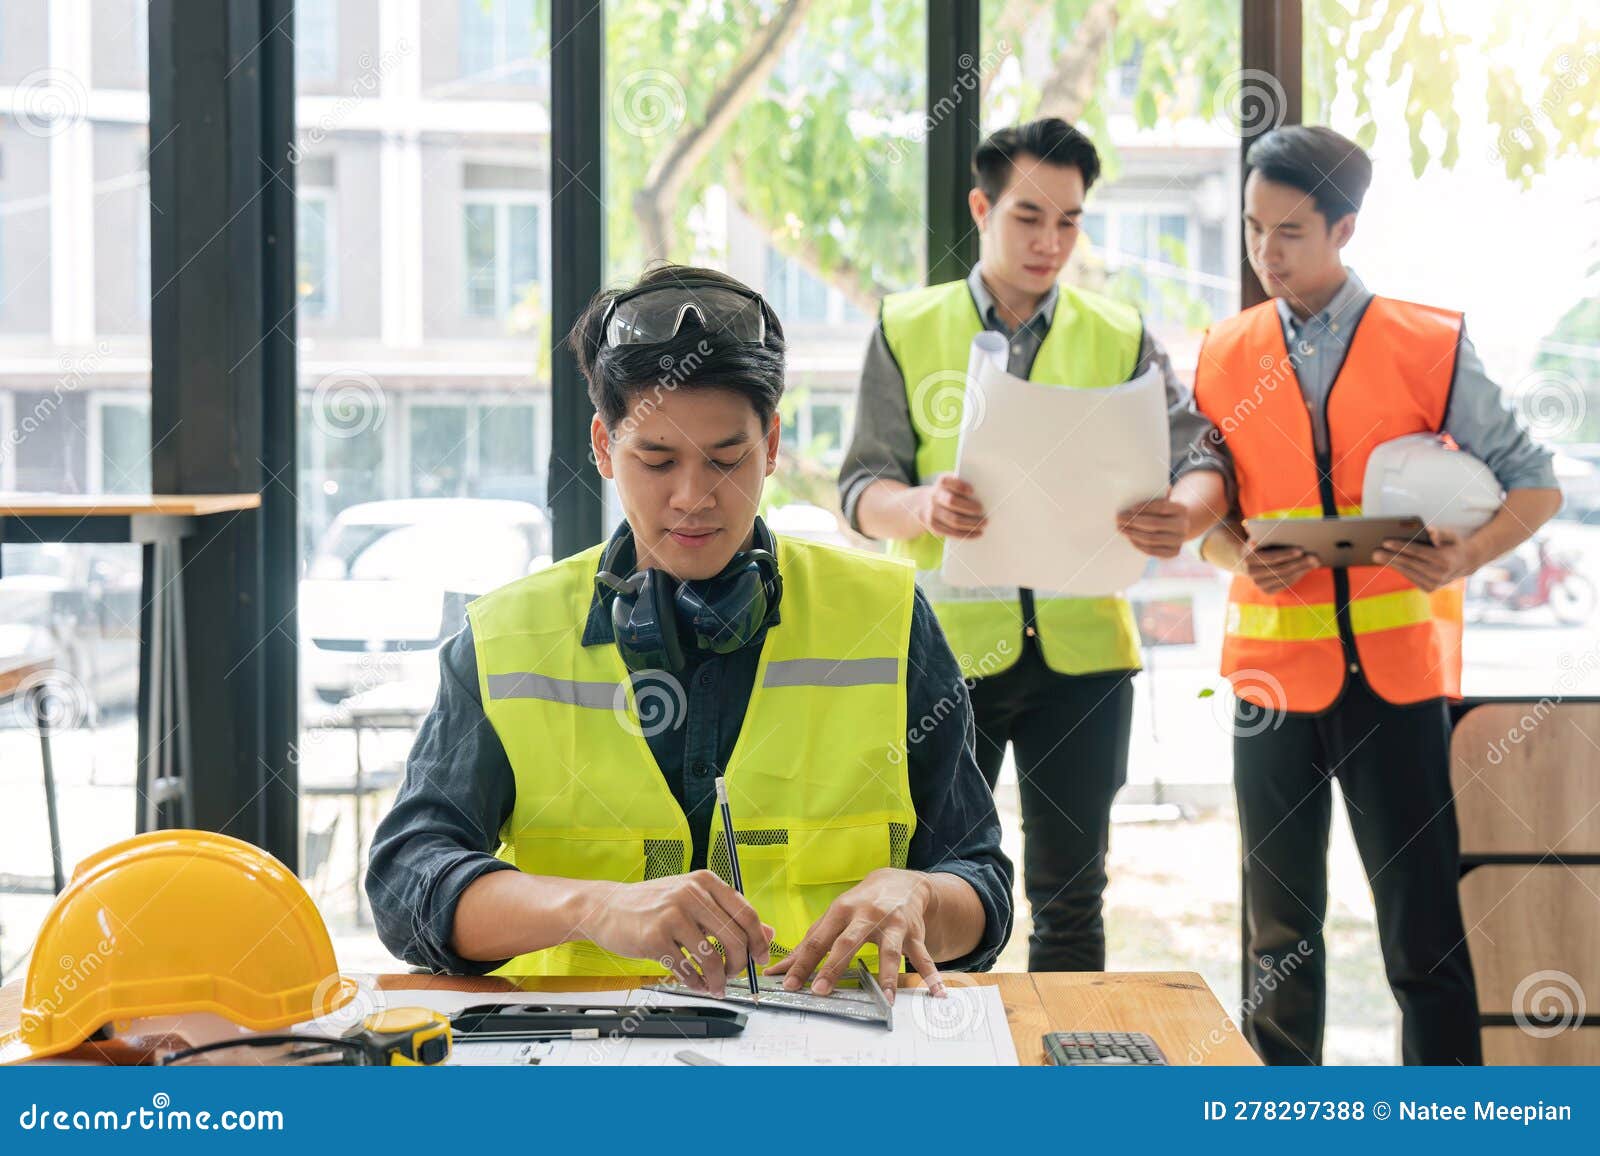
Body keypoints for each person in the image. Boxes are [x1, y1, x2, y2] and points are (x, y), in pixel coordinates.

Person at [367, 264, 1013, 999]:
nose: (693, 498)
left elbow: (982, 888)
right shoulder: (507, 636)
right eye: (656, 459)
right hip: (589, 1068)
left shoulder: (889, 619)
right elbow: (406, 882)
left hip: (830, 1058)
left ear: (771, 444)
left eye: (727, 459)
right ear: (605, 448)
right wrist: (592, 906)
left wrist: (922, 899)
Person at [1192, 125, 1564, 1065]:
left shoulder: (1427, 343)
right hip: (1271, 679)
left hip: (1397, 682)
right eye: (1251, 230)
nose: (1265, 255)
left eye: (1290, 234)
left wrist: (1464, 556)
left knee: (1424, 937)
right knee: (1278, 940)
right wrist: (1235, 553)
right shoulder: (1224, 352)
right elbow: (1209, 509)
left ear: (1344, 228)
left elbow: (1536, 484)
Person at [838, 117, 1228, 971]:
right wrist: (922, 507)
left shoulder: (1118, 332)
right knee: (933, 888)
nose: (1050, 241)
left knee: (1073, 898)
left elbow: (1204, 453)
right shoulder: (907, 325)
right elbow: (861, 491)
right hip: (943, 660)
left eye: (1069, 220)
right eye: (1028, 216)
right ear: (982, 207)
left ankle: (1065, 1088)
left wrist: (1188, 514)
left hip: (1083, 663)